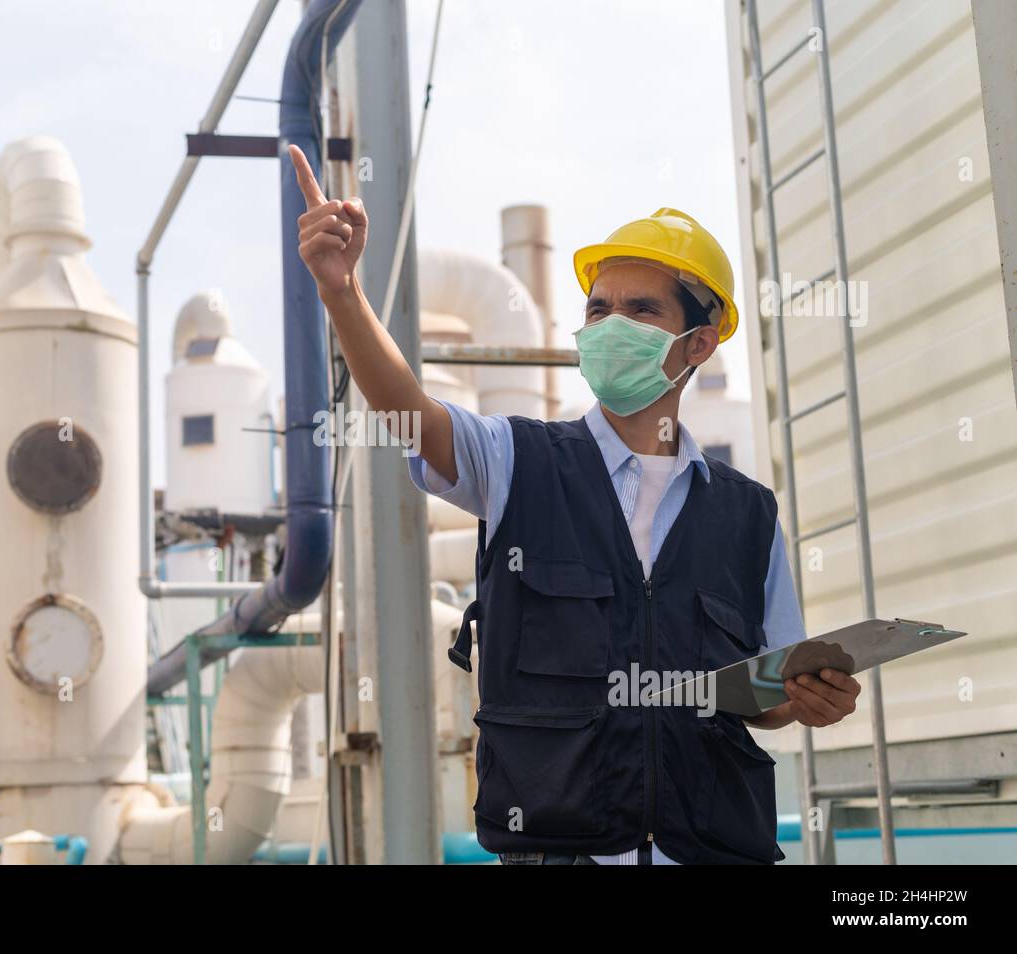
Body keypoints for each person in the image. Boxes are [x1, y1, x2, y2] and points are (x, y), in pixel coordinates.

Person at [287, 143, 860, 865]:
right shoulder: (516, 461)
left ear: (700, 342)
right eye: (599, 307)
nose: (609, 323)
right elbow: (408, 413)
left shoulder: (749, 515)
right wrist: (342, 292)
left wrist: (808, 699)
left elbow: (765, 695)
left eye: (641, 309)